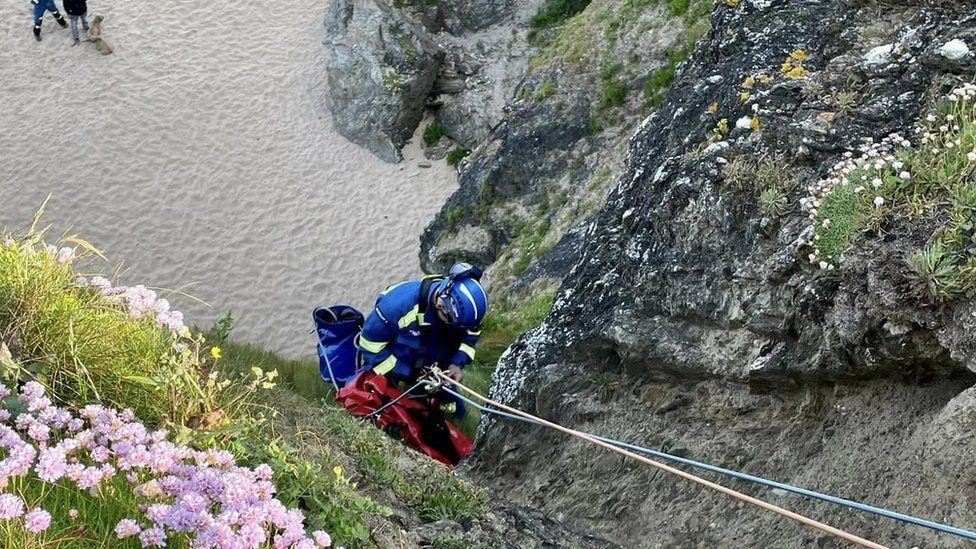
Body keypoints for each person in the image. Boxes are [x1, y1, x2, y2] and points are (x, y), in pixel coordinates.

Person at [357, 263, 487, 390]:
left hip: (436, 367)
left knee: (454, 408)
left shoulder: (460, 313)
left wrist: (457, 363)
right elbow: (371, 348)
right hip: (396, 367)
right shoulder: (395, 308)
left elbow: (471, 335)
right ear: (440, 306)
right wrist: (407, 374)